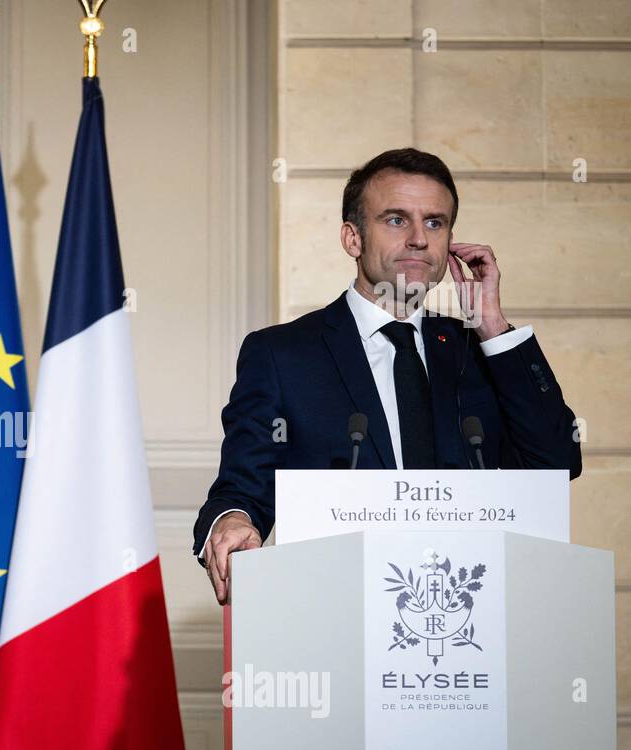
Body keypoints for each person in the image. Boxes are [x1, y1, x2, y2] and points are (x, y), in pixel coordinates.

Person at [194, 148, 581, 605]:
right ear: (352, 238)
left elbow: (556, 462)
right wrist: (232, 522)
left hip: (469, 616)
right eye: (397, 220)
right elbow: (241, 486)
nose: (419, 238)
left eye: (435, 223)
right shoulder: (282, 354)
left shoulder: (481, 351)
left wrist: (492, 325)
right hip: (333, 613)